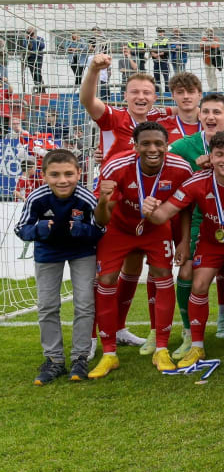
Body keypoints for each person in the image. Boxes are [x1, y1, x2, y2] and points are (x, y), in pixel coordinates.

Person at [141, 131, 224, 367]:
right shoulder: (196, 181)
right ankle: (197, 347)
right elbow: (163, 215)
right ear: (210, 157)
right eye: (219, 154)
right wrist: (150, 209)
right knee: (199, 284)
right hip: (212, 240)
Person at [88, 122, 193, 378]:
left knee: (163, 276)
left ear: (167, 146)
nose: (152, 149)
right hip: (120, 229)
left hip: (157, 229)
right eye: (145, 143)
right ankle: (109, 353)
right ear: (135, 146)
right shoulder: (116, 166)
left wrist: (184, 241)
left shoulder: (181, 167)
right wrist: (102, 200)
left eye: (158, 143)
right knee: (105, 279)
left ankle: (161, 349)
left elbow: (187, 206)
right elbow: (102, 218)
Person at [15, 150, 102, 384]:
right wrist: (38, 230)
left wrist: (83, 231)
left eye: (68, 174)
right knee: (47, 305)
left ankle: (80, 357)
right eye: (55, 174)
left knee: (84, 303)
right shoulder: (37, 197)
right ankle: (53, 360)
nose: (62, 180)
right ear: (44, 175)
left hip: (82, 253)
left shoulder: (86, 198)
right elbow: (21, 229)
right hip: (48, 253)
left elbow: (100, 230)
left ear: (79, 173)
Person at [159, 72, 203, 143]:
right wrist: (168, 110)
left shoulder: (211, 124)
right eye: (180, 92)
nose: (186, 96)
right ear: (173, 95)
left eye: (191, 92)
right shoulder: (161, 126)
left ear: (200, 95)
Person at [23, 27, 46, 93]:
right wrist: (28, 39)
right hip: (30, 58)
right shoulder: (26, 39)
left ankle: (42, 89)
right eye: (28, 32)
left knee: (38, 73)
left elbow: (42, 46)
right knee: (33, 74)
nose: (29, 34)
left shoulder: (40, 38)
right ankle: (38, 88)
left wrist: (35, 39)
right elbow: (25, 46)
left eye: (31, 32)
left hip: (38, 58)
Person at [149, 28, 170, 93]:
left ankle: (167, 92)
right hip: (156, 62)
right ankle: (158, 92)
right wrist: (154, 55)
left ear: (164, 32)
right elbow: (151, 50)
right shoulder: (155, 41)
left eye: (161, 32)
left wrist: (157, 55)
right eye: (158, 32)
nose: (160, 33)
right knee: (156, 77)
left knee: (165, 77)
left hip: (164, 61)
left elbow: (166, 51)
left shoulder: (167, 40)